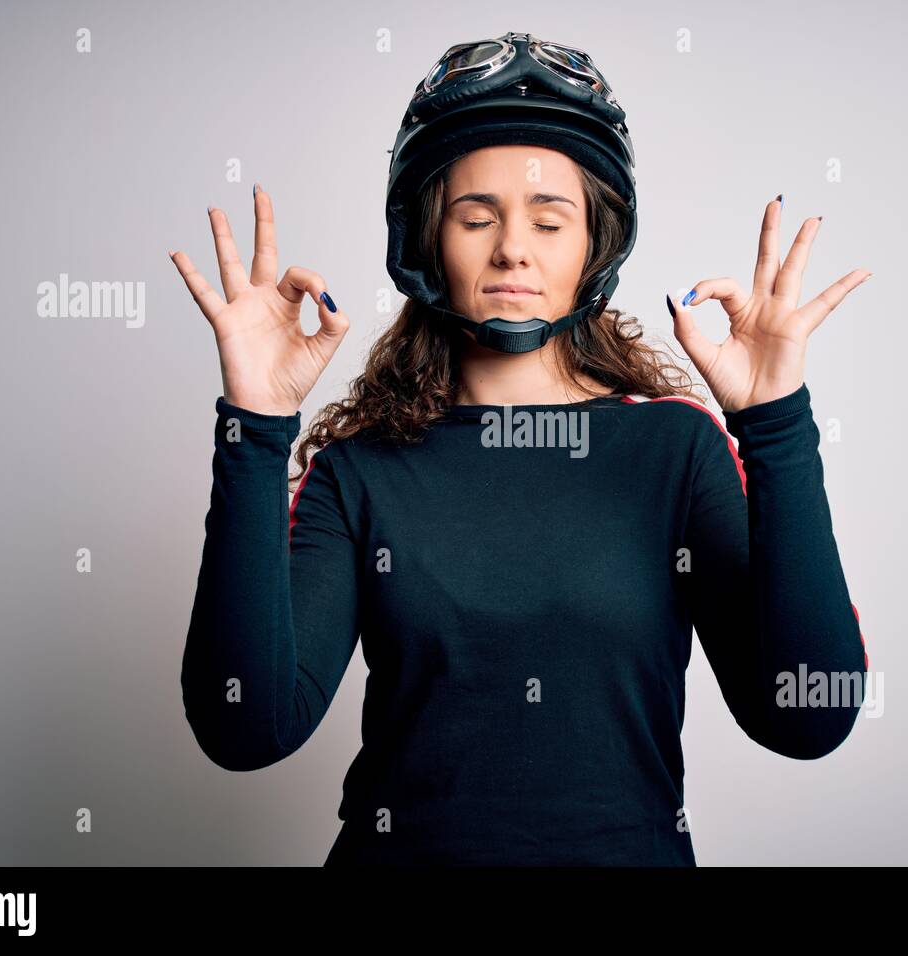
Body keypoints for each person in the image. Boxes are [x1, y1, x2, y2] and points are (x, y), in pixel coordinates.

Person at [171, 31, 871, 866]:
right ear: (428, 240)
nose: (513, 248)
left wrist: (776, 420)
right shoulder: (356, 472)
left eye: (550, 219)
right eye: (477, 217)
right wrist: (255, 424)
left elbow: (808, 718)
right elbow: (244, 725)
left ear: (594, 249)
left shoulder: (676, 452)